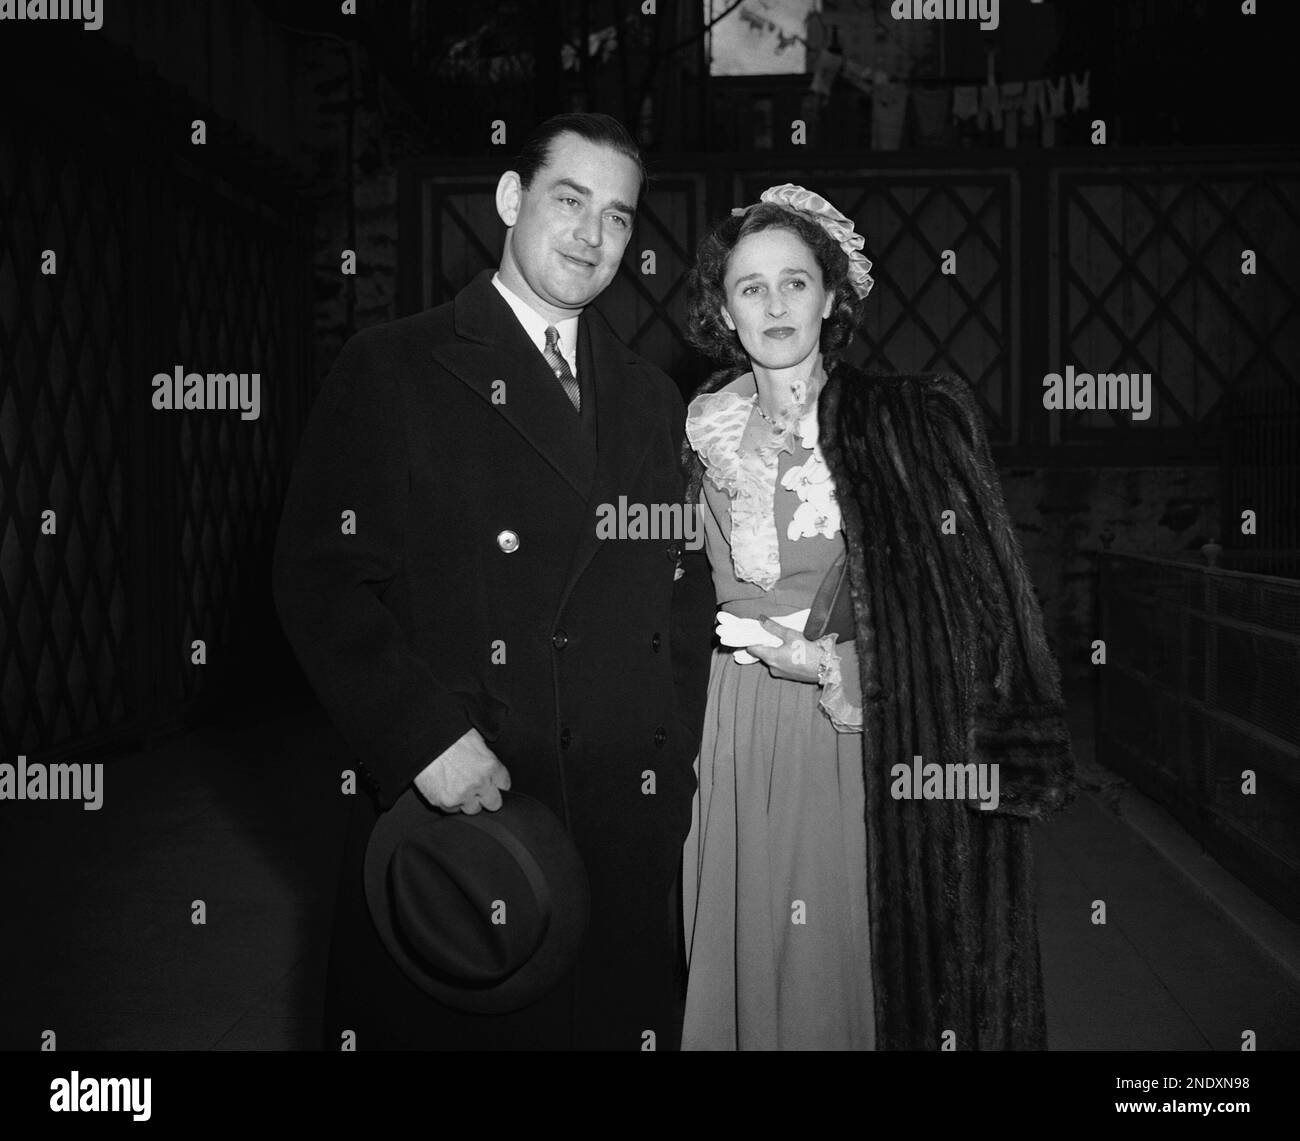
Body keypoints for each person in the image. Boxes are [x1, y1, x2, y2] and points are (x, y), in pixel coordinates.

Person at [272, 113, 715, 1050]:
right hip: (472, 807)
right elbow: (320, 580)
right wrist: (421, 738)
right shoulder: (393, 366)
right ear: (513, 201)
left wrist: (671, 774)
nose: (594, 236)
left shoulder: (649, 395)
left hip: (619, 819)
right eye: (570, 200)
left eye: (620, 217)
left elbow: (679, 601)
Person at [679, 184, 1075, 1050]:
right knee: (749, 967)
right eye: (750, 287)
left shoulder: (909, 423)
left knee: (850, 975)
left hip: (865, 737)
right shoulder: (698, 430)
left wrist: (838, 667)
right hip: (739, 731)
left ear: (831, 296)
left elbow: (981, 611)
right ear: (722, 308)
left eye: (795, 281)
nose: (775, 303)